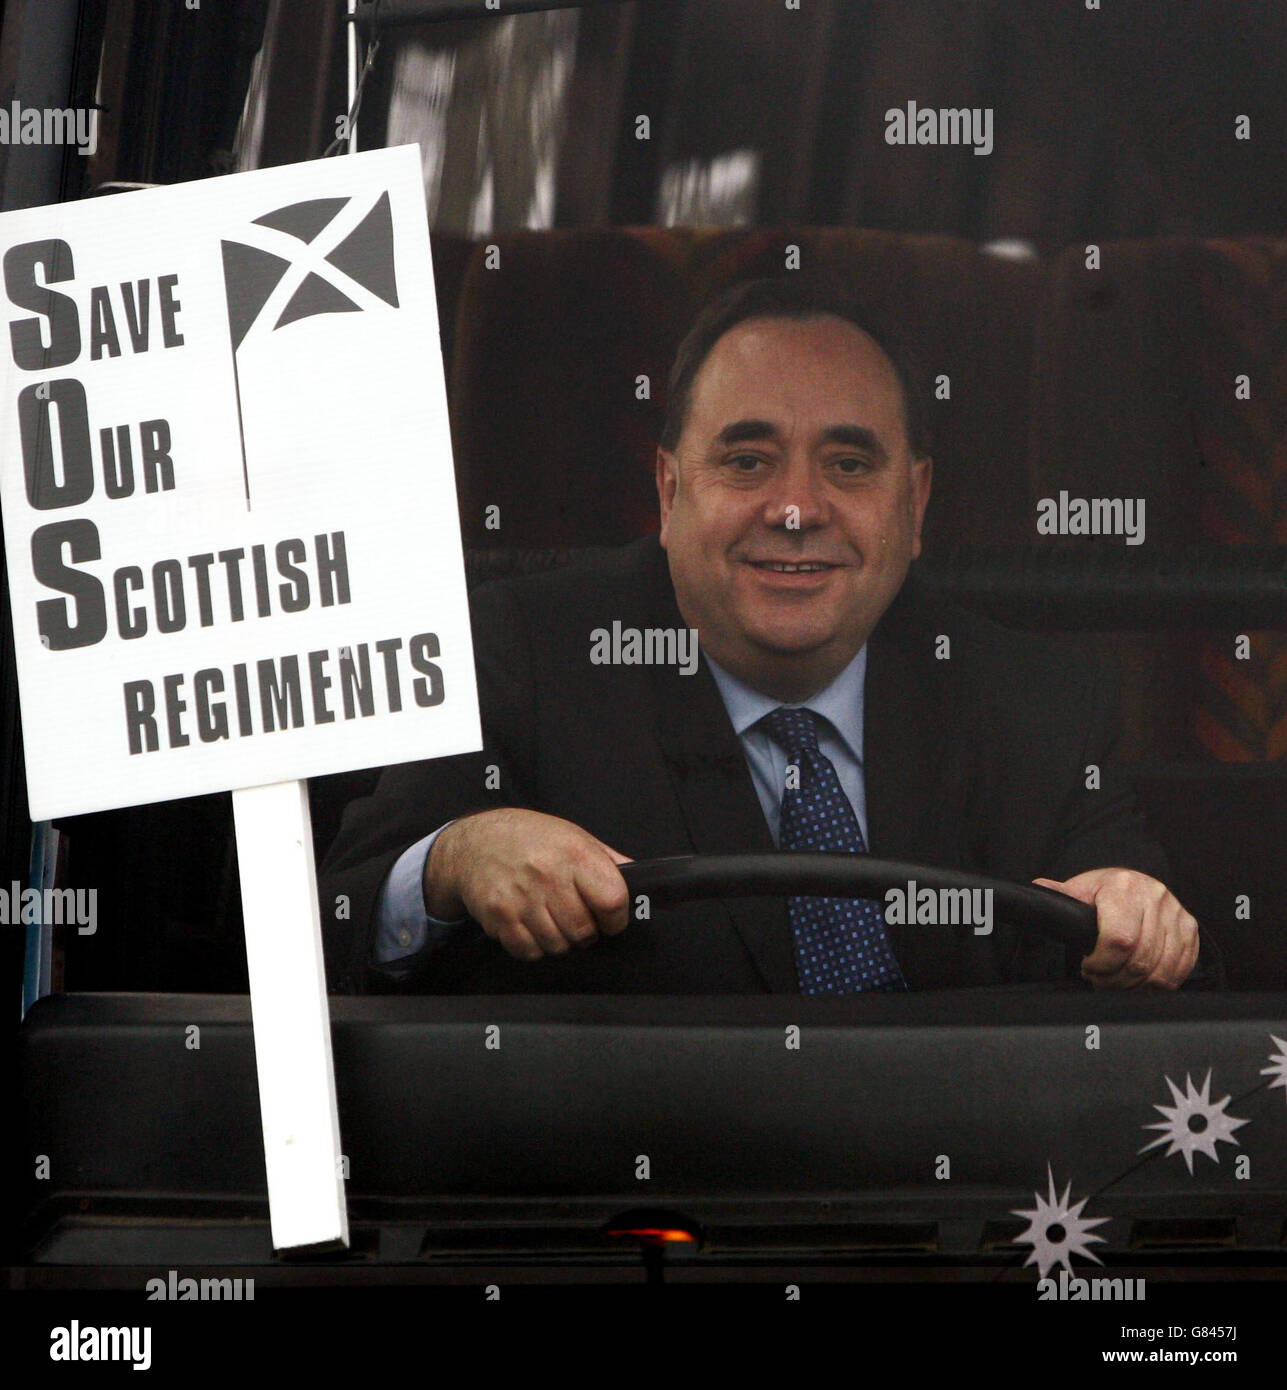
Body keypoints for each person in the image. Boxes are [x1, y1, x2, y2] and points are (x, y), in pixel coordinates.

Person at [319, 276, 1215, 995]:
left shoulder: (1037, 704)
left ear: (916, 505)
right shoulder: (522, 656)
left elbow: (1162, 980)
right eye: (746, 461)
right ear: (669, 493)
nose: (794, 509)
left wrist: (1143, 922)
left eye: (849, 465)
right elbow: (328, 930)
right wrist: (454, 860)